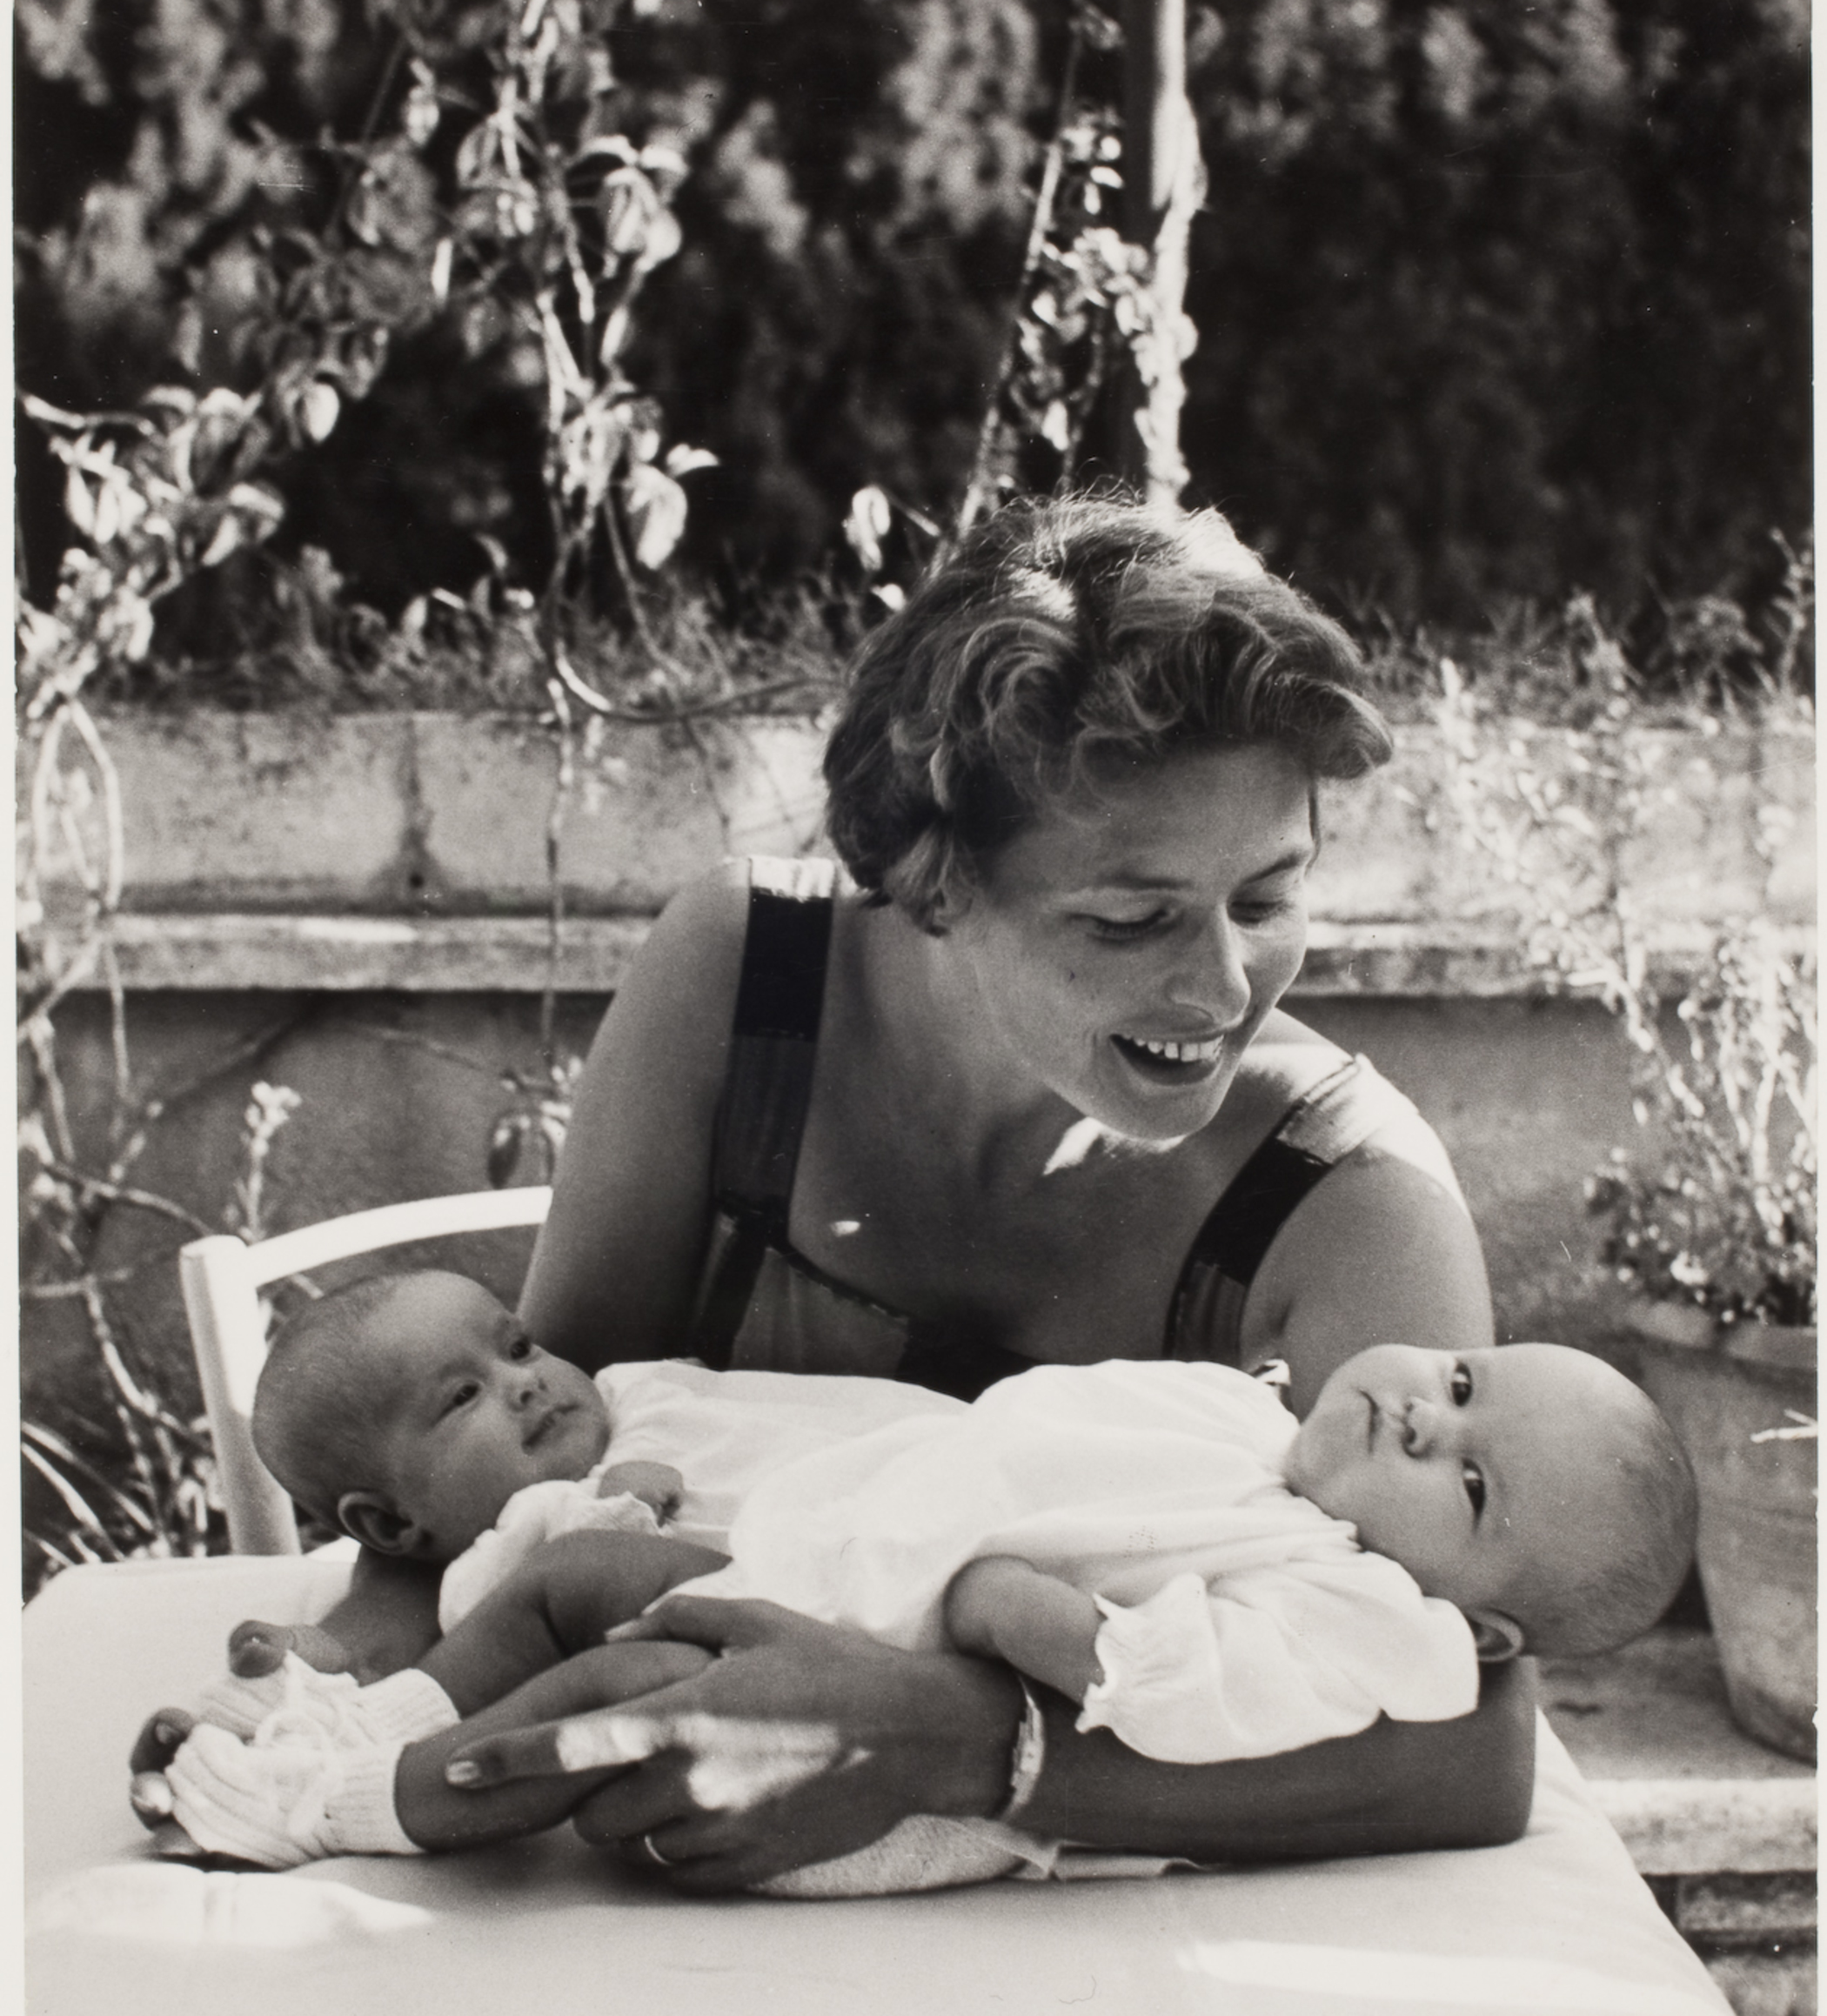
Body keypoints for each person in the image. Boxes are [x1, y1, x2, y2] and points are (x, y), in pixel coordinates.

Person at [137, 493, 1528, 1893]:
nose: (1223, 987)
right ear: (934, 876)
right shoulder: (746, 984)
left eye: (1269, 900)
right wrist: (350, 1666)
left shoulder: (1349, 1197)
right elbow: (547, 1448)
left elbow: (1475, 1753)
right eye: (1130, 919)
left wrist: (951, 1744)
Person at [143, 1254, 1691, 1886]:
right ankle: (357, 1728)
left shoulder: (1353, 1591)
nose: (1425, 1415)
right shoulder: (1263, 1423)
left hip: (901, 1740)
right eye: (1464, 1382)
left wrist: (1004, 1645)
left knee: (612, 1691)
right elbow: (482, 1470)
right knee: (577, 1577)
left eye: (1468, 1480)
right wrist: (343, 1642)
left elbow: (1225, 1696)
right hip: (814, 1571)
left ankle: (340, 1810)